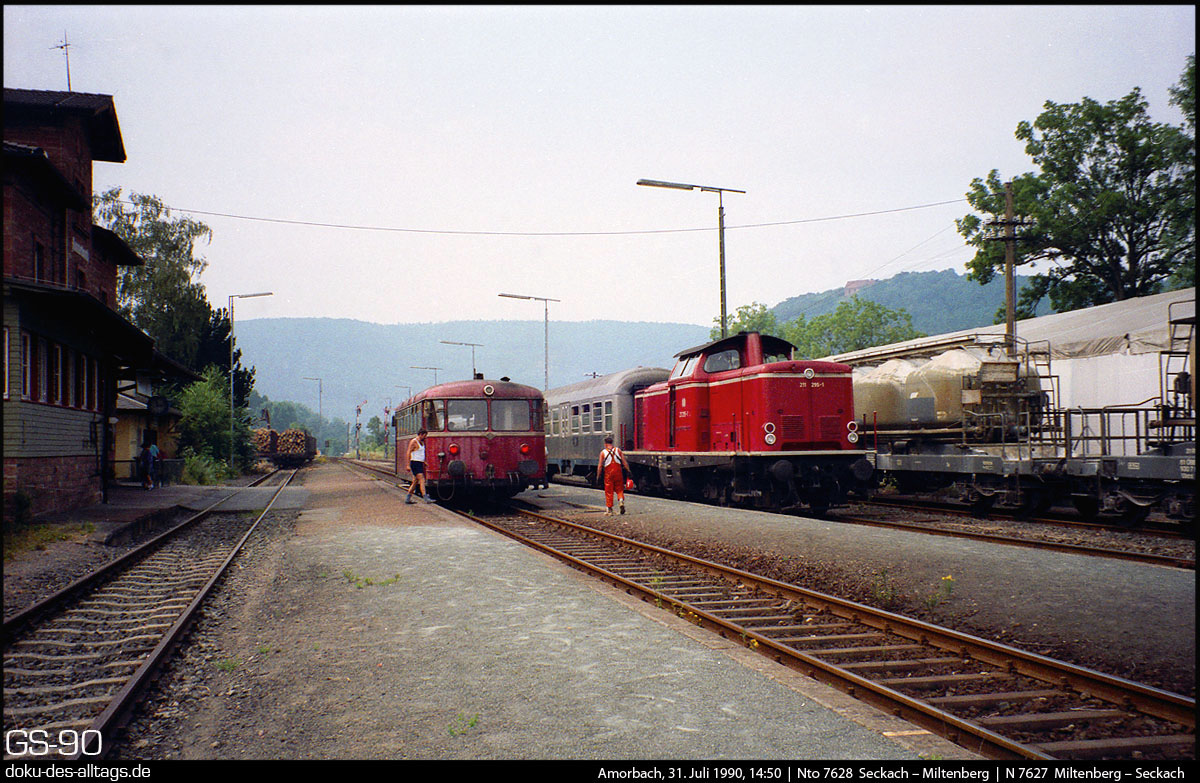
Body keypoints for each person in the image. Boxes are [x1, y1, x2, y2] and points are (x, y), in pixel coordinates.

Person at [595, 435, 632, 516]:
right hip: (618, 472)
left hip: (608, 474)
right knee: (619, 489)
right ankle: (621, 501)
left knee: (609, 491)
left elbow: (600, 466)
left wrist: (598, 476)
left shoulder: (603, 452)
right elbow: (624, 462)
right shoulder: (618, 450)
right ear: (612, 443)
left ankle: (609, 509)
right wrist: (628, 470)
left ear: (605, 444)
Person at [405, 428, 436, 504]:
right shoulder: (413, 442)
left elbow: (420, 454)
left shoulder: (421, 443)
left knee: (415, 482)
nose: (425, 437)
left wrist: (424, 462)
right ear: (421, 434)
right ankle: (425, 497)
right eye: (424, 436)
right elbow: (408, 453)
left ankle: (408, 498)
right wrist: (408, 465)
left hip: (419, 463)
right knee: (422, 479)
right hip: (415, 463)